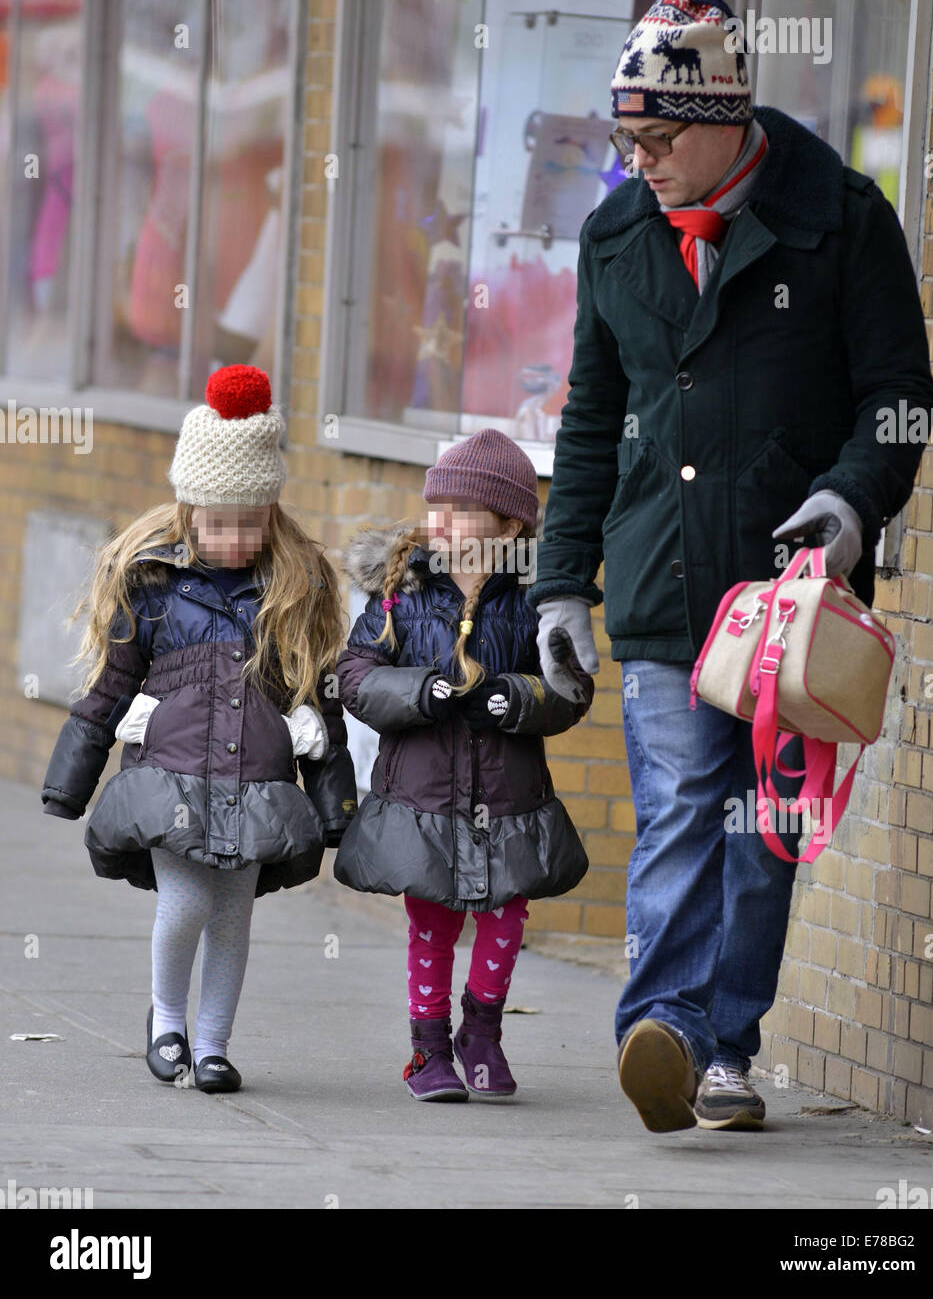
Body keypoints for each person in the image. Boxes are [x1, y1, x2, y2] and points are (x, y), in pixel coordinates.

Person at [527, 0, 933, 1133]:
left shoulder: (844, 218)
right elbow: (590, 416)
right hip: (660, 578)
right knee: (676, 806)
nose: (639, 162)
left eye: (656, 140)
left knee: (764, 828)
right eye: (626, 141)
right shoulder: (615, 234)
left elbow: (900, 400)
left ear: (721, 119)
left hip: (788, 598)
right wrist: (562, 576)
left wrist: (848, 505)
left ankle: (721, 1045)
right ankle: (662, 1029)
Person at [40, 365, 357, 1092]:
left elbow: (317, 696)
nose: (234, 536)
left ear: (271, 511)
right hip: (170, 776)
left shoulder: (291, 588)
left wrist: (335, 802)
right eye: (218, 520)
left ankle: (212, 1046)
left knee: (233, 918)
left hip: (255, 783)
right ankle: (167, 1022)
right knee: (184, 902)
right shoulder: (150, 587)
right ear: (188, 511)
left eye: (251, 520)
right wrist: (70, 781)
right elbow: (110, 687)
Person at [334, 429, 593, 1101]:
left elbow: (571, 690)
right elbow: (354, 675)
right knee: (432, 921)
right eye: (434, 505)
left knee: (505, 916)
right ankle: (427, 1053)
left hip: (509, 795)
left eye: (459, 509)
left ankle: (480, 1032)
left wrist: (520, 699)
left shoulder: (535, 598)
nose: (438, 521)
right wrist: (416, 691)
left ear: (509, 525)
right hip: (422, 793)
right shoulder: (401, 591)